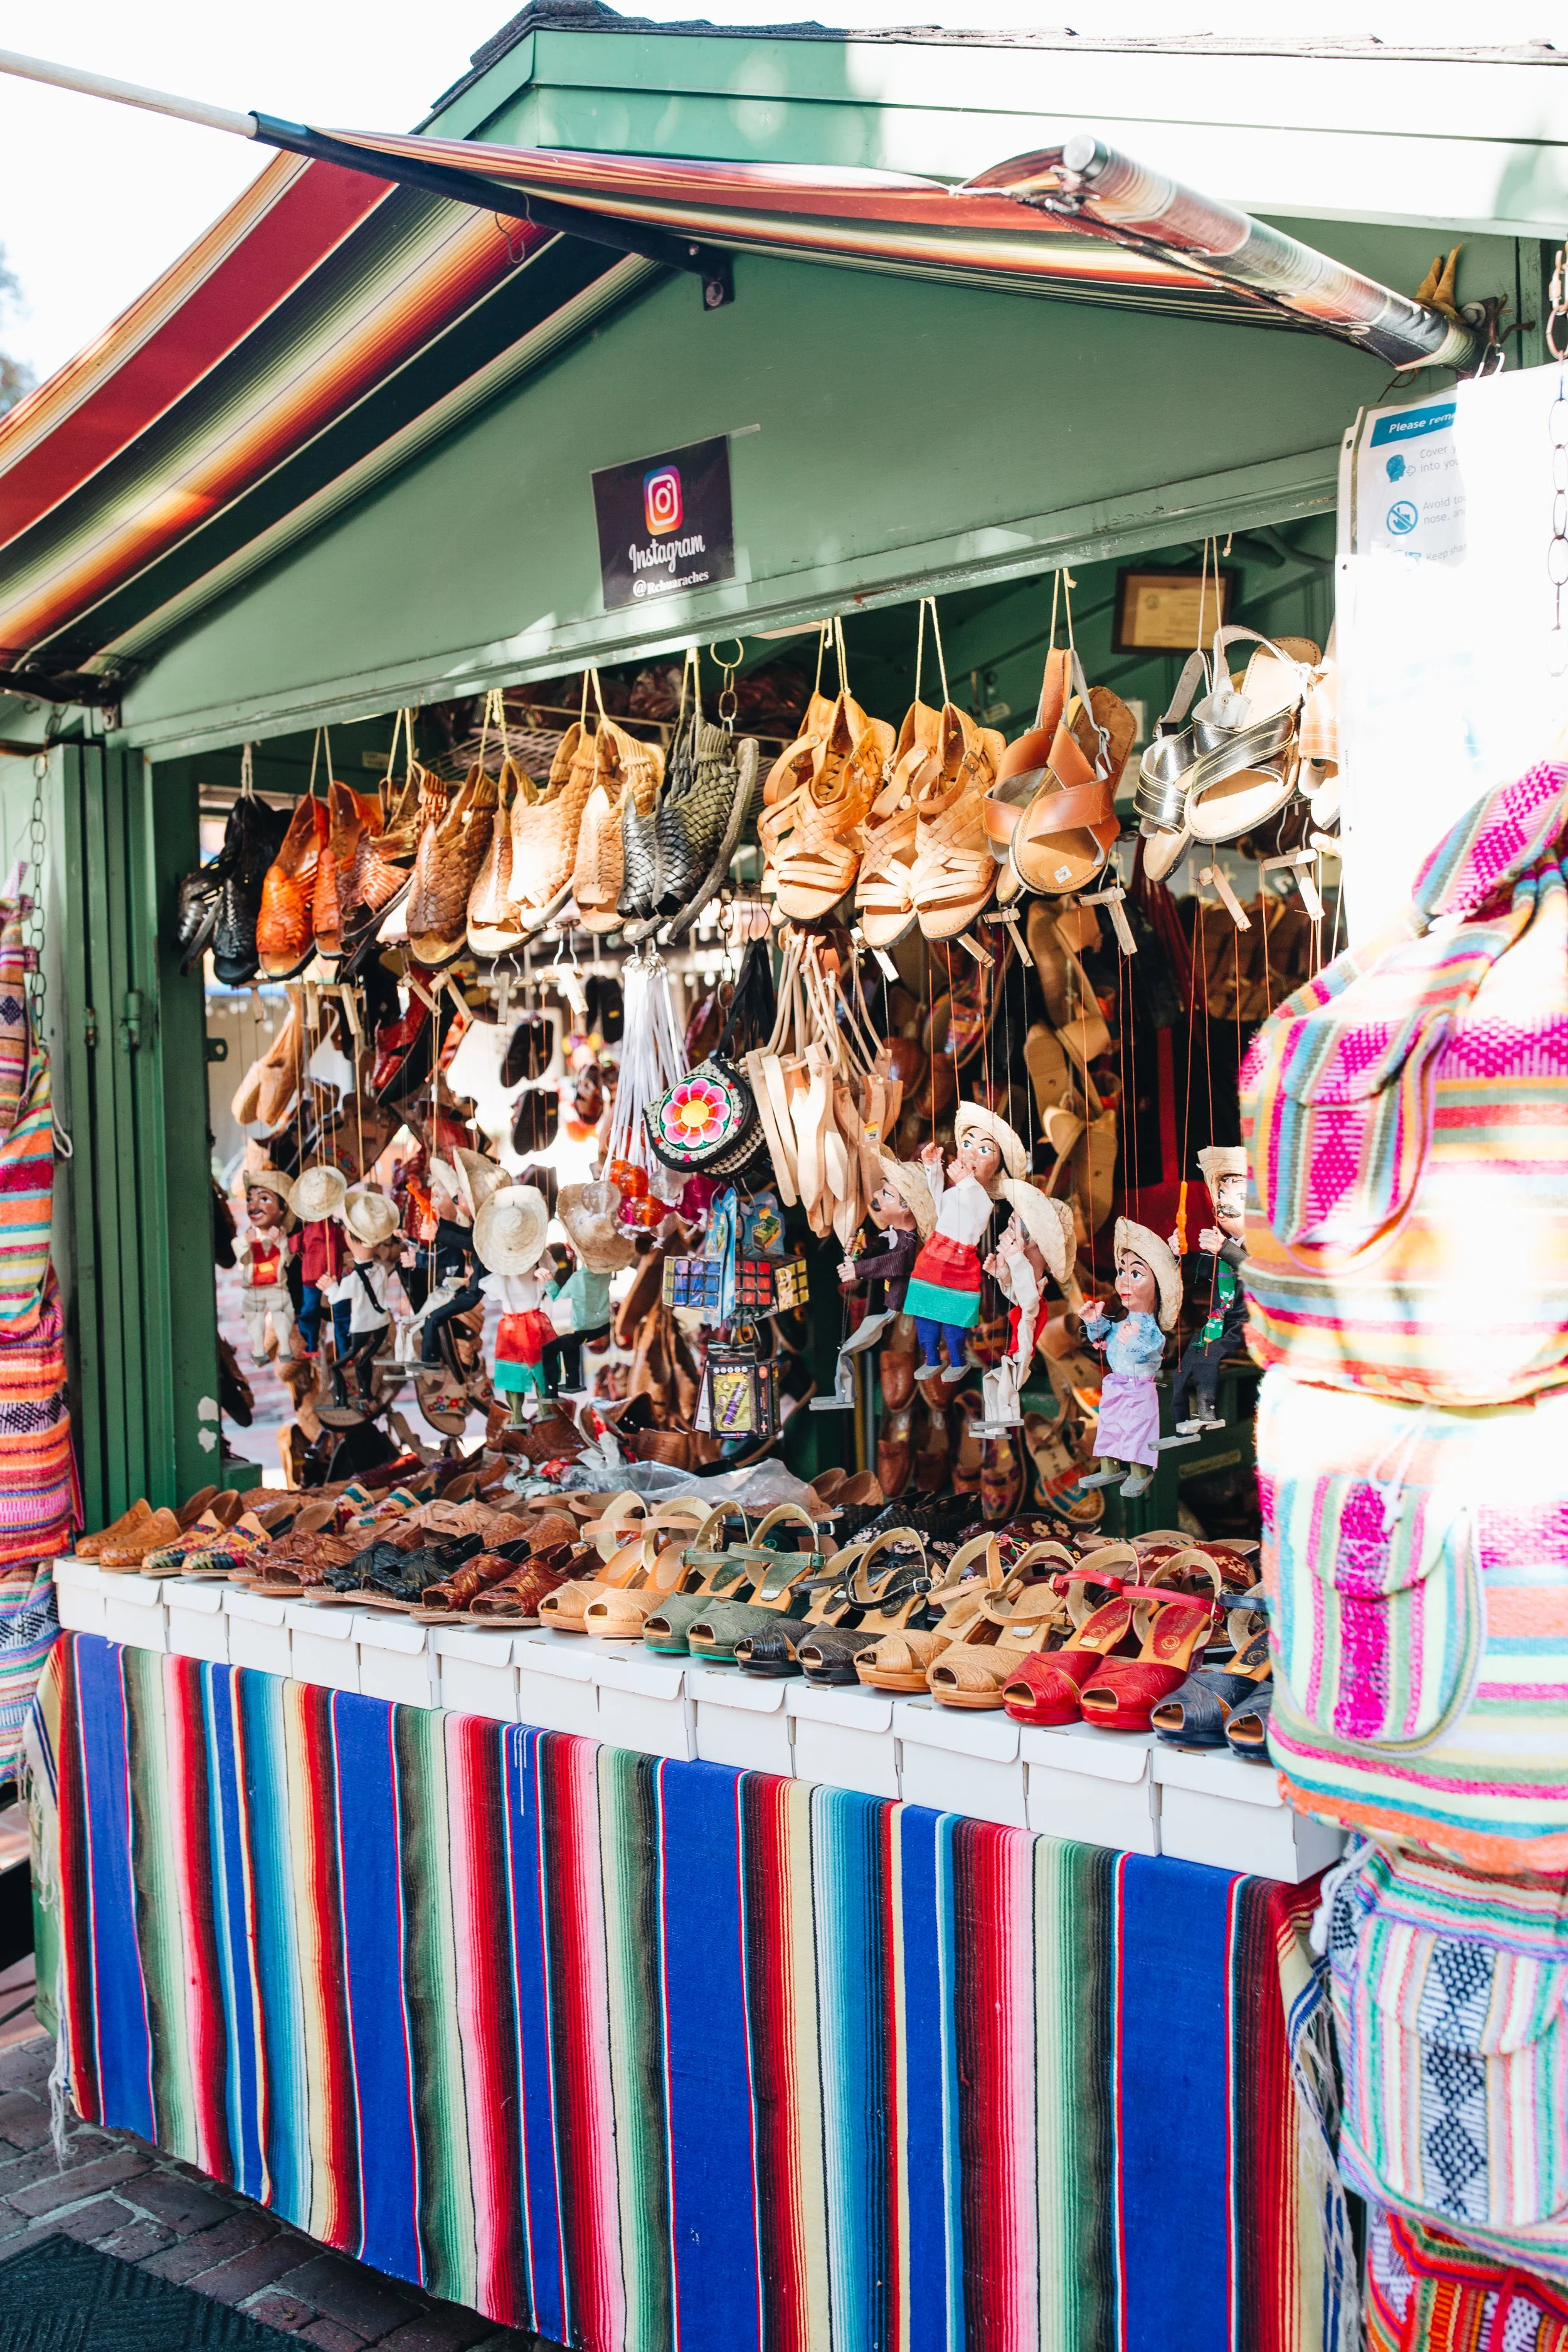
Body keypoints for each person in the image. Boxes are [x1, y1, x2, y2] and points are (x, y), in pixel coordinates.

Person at [903, 1105, 1026, 1383]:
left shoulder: (983, 1198)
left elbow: (978, 1205)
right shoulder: (955, 1190)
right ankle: (931, 1357)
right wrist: (933, 1167)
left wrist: (968, 1182)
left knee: (952, 1315)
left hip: (960, 1259)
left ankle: (957, 1361)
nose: (970, 1153)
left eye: (984, 1150)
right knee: (924, 1310)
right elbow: (938, 1200)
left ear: (995, 1168)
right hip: (934, 1252)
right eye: (967, 1144)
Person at [1079, 1217, 1182, 1498]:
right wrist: (1095, 1321)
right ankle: (1109, 1467)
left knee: (1136, 1432)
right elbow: (1104, 1337)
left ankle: (1139, 1472)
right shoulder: (1124, 1321)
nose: (1123, 1281)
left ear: (1157, 1284)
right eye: (1121, 1271)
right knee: (1110, 1426)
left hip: (1138, 1388)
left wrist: (1133, 1341)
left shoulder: (1148, 1326)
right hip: (1116, 1385)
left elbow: (1154, 1348)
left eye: (1135, 1274)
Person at [1169, 1145, 1249, 1434]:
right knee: (1184, 1365)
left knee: (1208, 1355)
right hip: (1218, 1321)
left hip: (1246, 1323)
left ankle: (1208, 1411)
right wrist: (1180, 1253)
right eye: (1221, 1194)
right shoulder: (1223, 1247)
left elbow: (1255, 1271)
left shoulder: (1263, 1248)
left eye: (1239, 1197)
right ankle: (1184, 1420)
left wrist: (1224, 1248)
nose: (1224, 1204)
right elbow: (1202, 1268)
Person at [236, 1170, 298, 1365]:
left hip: (276, 1288)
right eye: (250, 1199)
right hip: (255, 1288)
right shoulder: (248, 1239)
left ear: (283, 1208)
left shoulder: (283, 1240)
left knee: (282, 1314)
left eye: (264, 1199)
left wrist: (280, 1243)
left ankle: (285, 1348)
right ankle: (259, 1348)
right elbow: (242, 1260)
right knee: (254, 1317)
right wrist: (248, 1244)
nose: (253, 1206)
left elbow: (288, 1258)